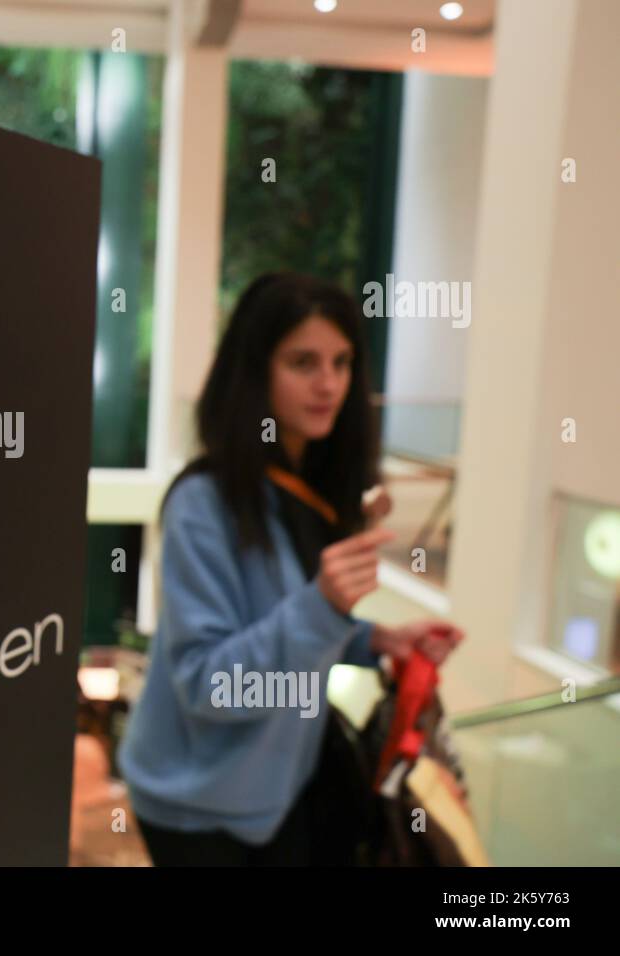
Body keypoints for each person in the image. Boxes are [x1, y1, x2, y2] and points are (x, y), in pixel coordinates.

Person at [116, 272, 463, 866]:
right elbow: (210, 686)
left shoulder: (306, 491)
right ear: (256, 372)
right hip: (199, 808)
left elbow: (281, 625)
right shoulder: (204, 504)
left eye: (342, 361)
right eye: (303, 362)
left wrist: (372, 639)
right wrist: (324, 606)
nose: (328, 384)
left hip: (279, 790)